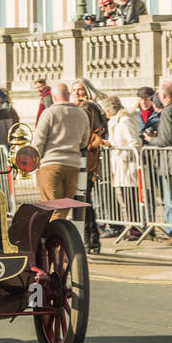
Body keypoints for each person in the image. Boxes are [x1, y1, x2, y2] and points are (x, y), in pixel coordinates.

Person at [31, 82, 91, 221]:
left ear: (53, 96)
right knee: (63, 208)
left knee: (51, 208)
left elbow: (38, 141)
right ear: (68, 95)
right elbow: (84, 141)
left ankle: (53, 240)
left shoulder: (49, 113)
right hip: (73, 165)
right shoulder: (81, 113)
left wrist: (33, 162)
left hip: (50, 165)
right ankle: (60, 239)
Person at [144, 81, 172, 245]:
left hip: (169, 162)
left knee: (170, 200)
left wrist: (150, 139)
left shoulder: (167, 112)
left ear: (162, 96)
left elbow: (166, 140)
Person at [71, 79, 107, 250]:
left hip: (85, 158)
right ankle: (92, 239)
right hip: (88, 158)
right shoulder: (93, 106)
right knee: (84, 199)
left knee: (81, 200)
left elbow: (92, 135)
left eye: (80, 89)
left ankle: (88, 239)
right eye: (74, 90)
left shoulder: (86, 108)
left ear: (87, 90)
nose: (76, 93)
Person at [101, 94, 142, 241]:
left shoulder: (124, 121)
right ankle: (132, 227)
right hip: (120, 166)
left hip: (127, 165)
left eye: (105, 110)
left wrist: (124, 155)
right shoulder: (116, 121)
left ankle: (136, 229)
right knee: (125, 199)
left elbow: (134, 142)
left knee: (131, 199)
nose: (105, 113)